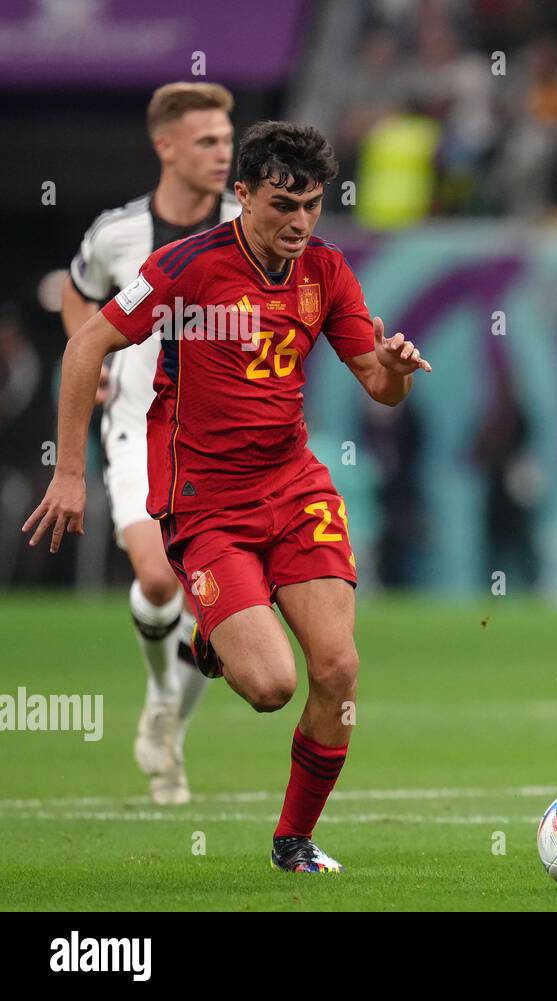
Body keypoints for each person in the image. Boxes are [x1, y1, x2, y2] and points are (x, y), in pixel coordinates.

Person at [25, 121, 432, 873]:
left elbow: (378, 386)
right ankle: (214, 630)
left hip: (293, 483)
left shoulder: (327, 271)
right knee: (274, 686)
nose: (299, 222)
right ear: (240, 195)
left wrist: (397, 367)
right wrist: (71, 472)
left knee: (338, 669)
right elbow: (87, 344)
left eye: (311, 204)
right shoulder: (185, 268)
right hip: (206, 503)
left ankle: (293, 839)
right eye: (283, 204)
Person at [62, 81, 240, 806]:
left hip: (225, 444)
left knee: (217, 614)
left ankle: (171, 735)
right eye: (208, 141)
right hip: (139, 425)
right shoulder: (118, 234)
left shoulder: (249, 224)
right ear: (165, 146)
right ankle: (163, 693)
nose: (223, 153)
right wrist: (93, 352)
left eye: (228, 140)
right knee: (161, 578)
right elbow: (77, 291)